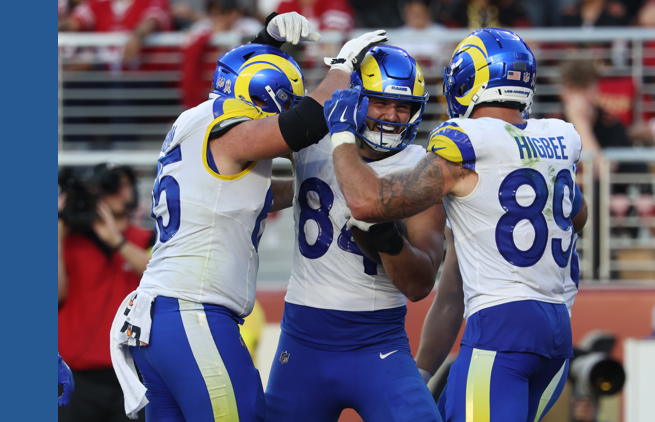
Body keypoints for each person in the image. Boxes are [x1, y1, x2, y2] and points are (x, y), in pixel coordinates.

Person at [109, 12, 389, 421]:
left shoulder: (198, 125)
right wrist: (342, 67)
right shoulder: (226, 125)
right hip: (194, 314)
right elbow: (304, 123)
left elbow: (250, 196)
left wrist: (267, 41)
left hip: (161, 318)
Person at [325, 28, 588, 421]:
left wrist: (341, 135)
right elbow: (578, 216)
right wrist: (422, 371)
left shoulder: (466, 141)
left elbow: (366, 202)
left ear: (468, 82)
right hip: (557, 333)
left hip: (502, 329)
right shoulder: (557, 137)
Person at [264, 45, 444, 422]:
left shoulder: (419, 167)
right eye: (381, 102)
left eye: (403, 106)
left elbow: (419, 285)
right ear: (354, 98)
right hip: (303, 340)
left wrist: (386, 237)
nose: (392, 116)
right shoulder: (312, 139)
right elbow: (247, 130)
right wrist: (264, 47)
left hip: (377, 341)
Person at [58, 163, 154, 422]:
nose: (120, 192)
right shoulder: (69, 242)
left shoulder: (146, 239)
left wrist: (117, 241)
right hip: (76, 378)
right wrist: (58, 230)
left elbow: (162, 277)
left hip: (132, 376)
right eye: (111, 186)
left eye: (124, 185)